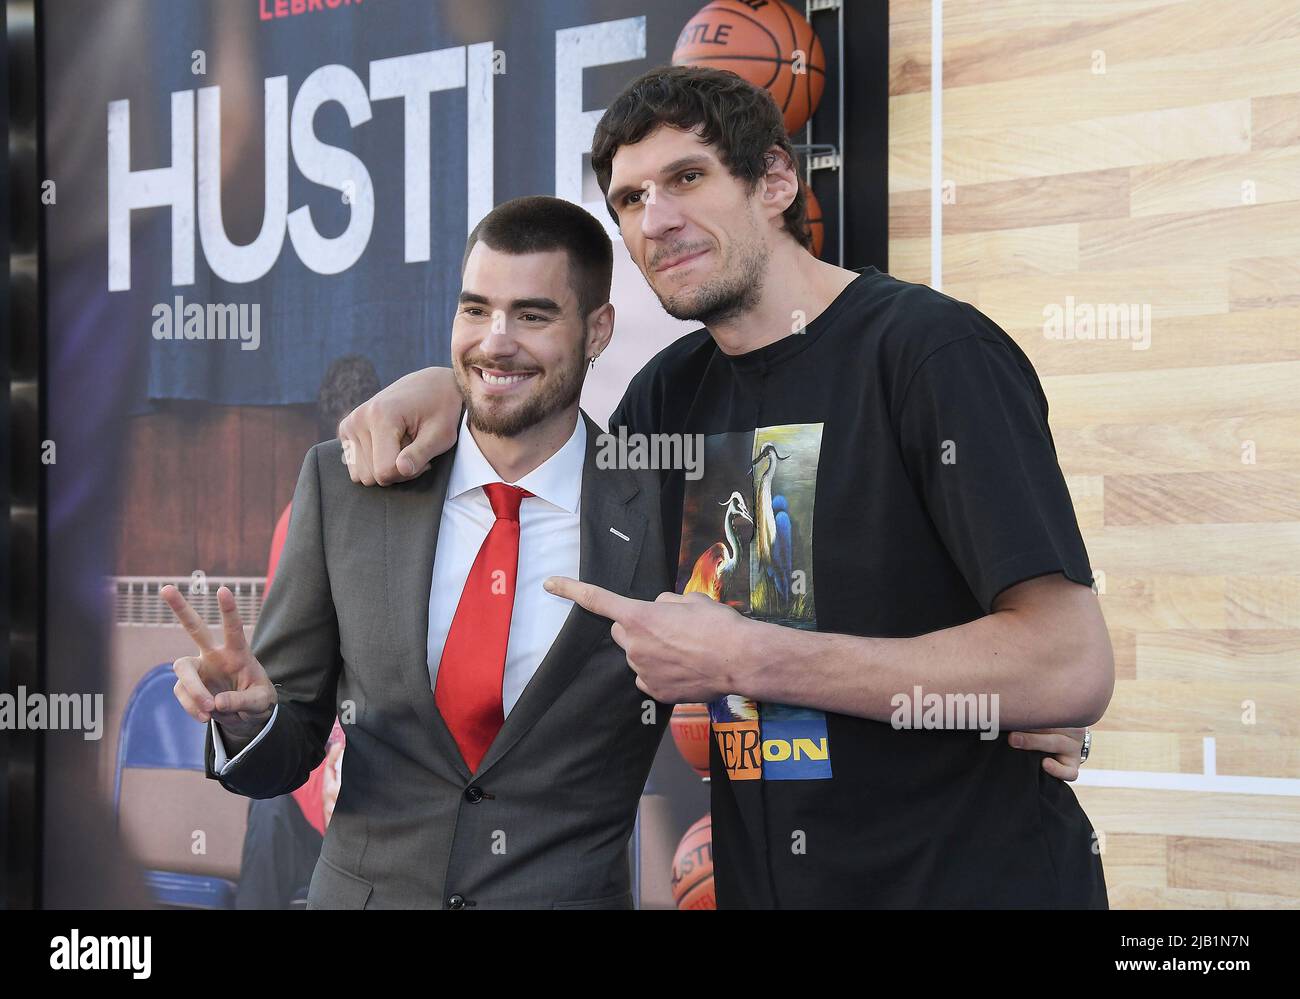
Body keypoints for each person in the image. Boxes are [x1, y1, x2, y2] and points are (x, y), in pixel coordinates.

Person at [337, 66, 1114, 908]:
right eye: (631, 200)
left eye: (687, 178)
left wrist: (752, 657)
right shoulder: (669, 397)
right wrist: (449, 388)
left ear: (776, 181)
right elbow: (546, 470)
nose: (657, 219)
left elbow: (1068, 660)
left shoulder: (932, 355)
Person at [163, 195, 672, 909]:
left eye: (532, 314)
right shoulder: (347, 488)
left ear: (597, 330)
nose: (496, 341)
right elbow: (295, 733)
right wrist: (248, 718)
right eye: (474, 309)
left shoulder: (659, 507)